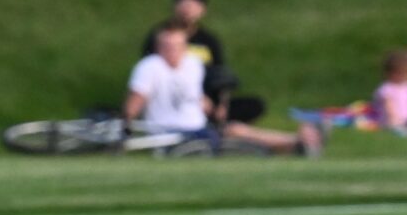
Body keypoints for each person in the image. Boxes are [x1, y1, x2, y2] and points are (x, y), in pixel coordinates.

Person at [125, 23, 318, 156]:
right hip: (170, 133)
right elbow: (135, 102)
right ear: (159, 48)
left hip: (198, 128)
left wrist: (212, 106)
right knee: (236, 134)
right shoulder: (150, 67)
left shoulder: (192, 65)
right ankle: (296, 143)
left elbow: (195, 98)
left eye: (177, 46)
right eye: (167, 46)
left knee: (237, 131)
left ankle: (296, 144)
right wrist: (127, 125)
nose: (173, 51)